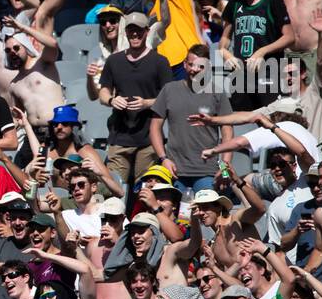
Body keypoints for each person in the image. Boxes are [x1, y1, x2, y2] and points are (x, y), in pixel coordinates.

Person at [97, 12, 172, 198]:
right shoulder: (114, 61)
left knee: (145, 192)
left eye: (139, 30)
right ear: (126, 32)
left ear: (147, 32)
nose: (135, 35)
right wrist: (112, 100)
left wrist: (146, 103)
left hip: (148, 139)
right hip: (119, 137)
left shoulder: (159, 62)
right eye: (131, 30)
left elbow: (169, 97)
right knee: (112, 191)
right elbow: (103, 92)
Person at [148, 46, 233, 193]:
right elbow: (154, 128)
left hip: (207, 172)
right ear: (184, 64)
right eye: (191, 64)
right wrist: (163, 159)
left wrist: (225, 168)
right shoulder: (169, 90)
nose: (195, 70)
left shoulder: (217, 92)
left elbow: (228, 132)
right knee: (172, 215)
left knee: (206, 213)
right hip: (174, 171)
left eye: (201, 66)